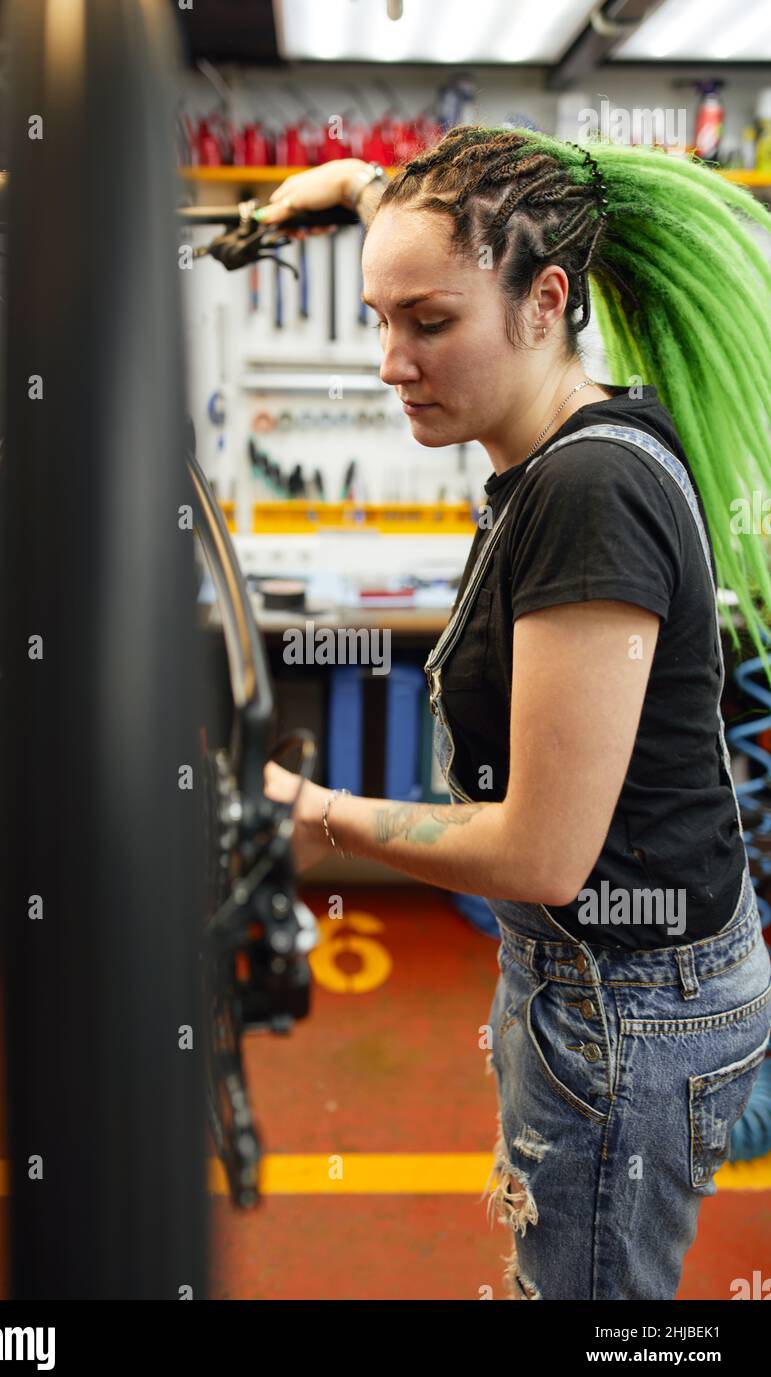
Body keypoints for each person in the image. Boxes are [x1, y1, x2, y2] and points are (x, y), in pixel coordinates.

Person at [260, 127, 771, 1299]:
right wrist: (344, 190)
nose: (394, 360)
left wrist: (311, 810)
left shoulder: (591, 492)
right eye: (379, 319)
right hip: (613, 984)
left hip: (630, 1008)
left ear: (547, 302)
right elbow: (426, 227)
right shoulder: (558, 438)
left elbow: (541, 853)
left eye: (428, 323)